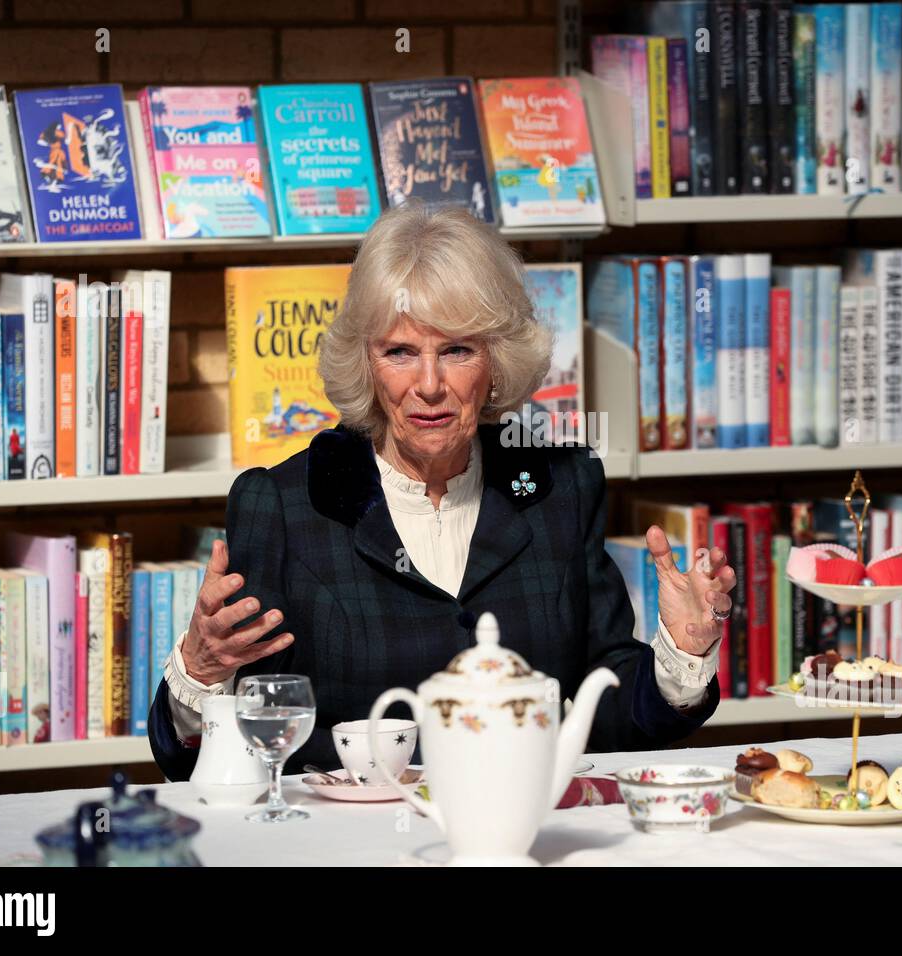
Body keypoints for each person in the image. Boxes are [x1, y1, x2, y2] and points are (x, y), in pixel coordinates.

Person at [148, 202, 736, 780]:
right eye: (399, 352)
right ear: (366, 363)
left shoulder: (564, 488)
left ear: (497, 361)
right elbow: (220, 750)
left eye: (457, 350)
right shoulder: (280, 504)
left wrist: (680, 657)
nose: (428, 385)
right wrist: (201, 673)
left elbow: (603, 710)